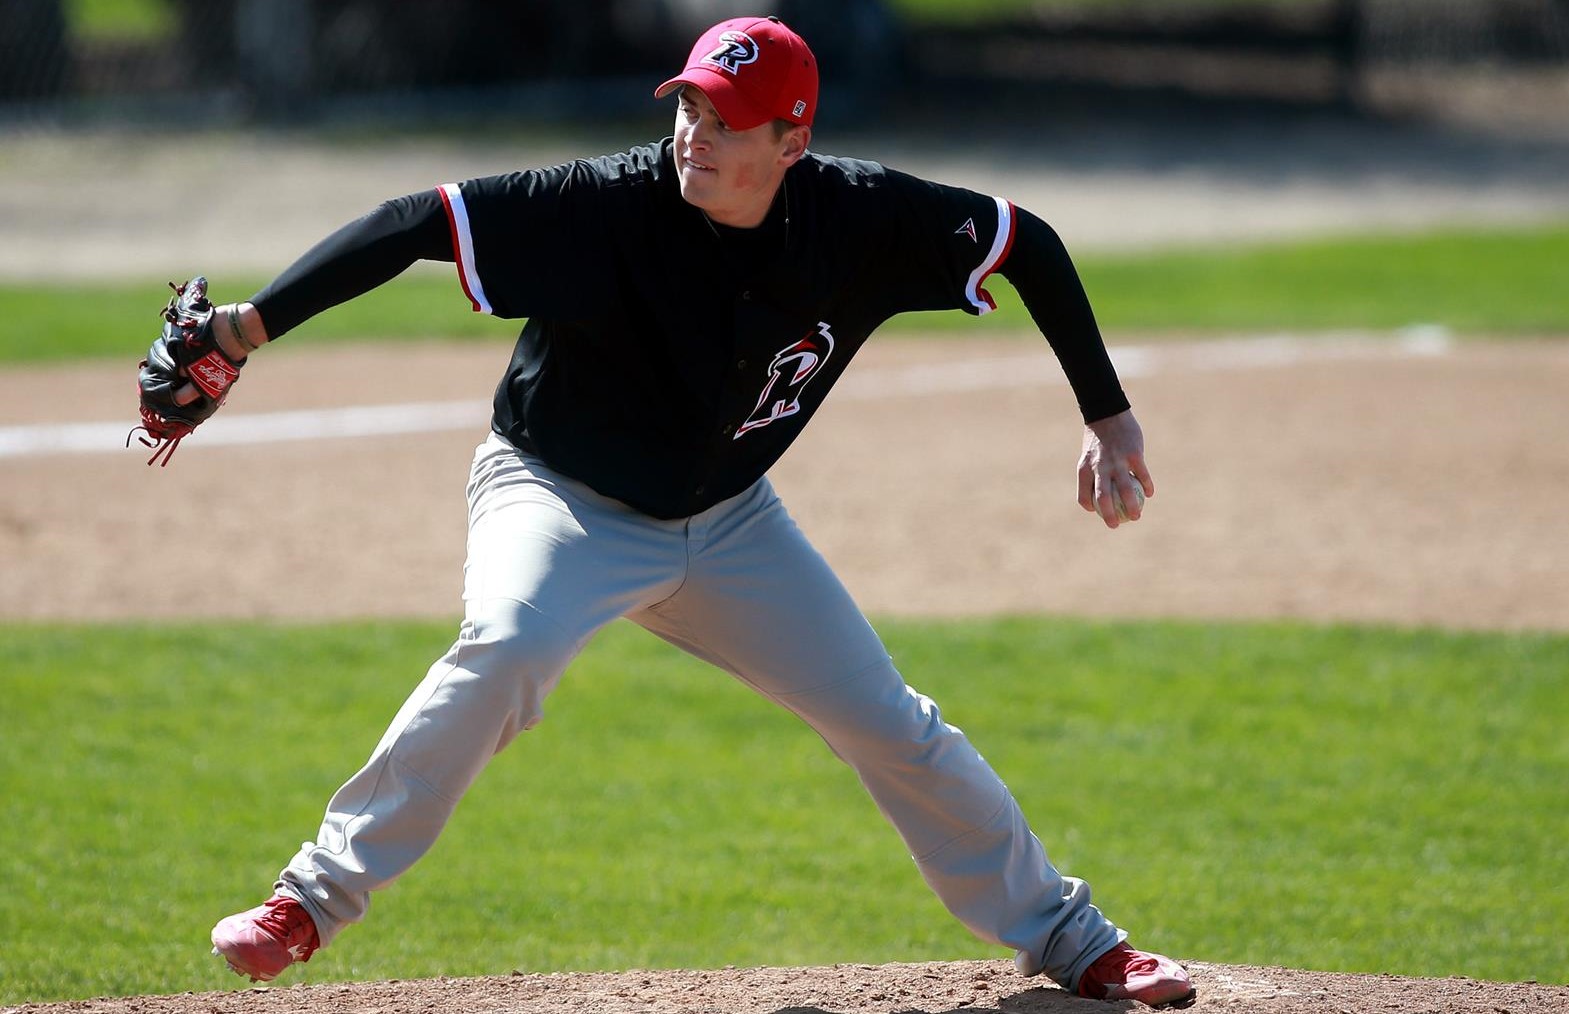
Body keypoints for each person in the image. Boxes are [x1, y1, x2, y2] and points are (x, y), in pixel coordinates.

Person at [203, 15, 1192, 1008]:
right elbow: (418, 218)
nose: (695, 135)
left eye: (726, 121)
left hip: (728, 522)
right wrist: (243, 330)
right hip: (558, 495)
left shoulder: (859, 218)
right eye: (689, 106)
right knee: (506, 645)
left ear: (790, 143)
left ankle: (1076, 939)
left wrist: (1107, 414)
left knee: (890, 722)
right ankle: (309, 901)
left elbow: (1028, 242)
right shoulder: (604, 205)